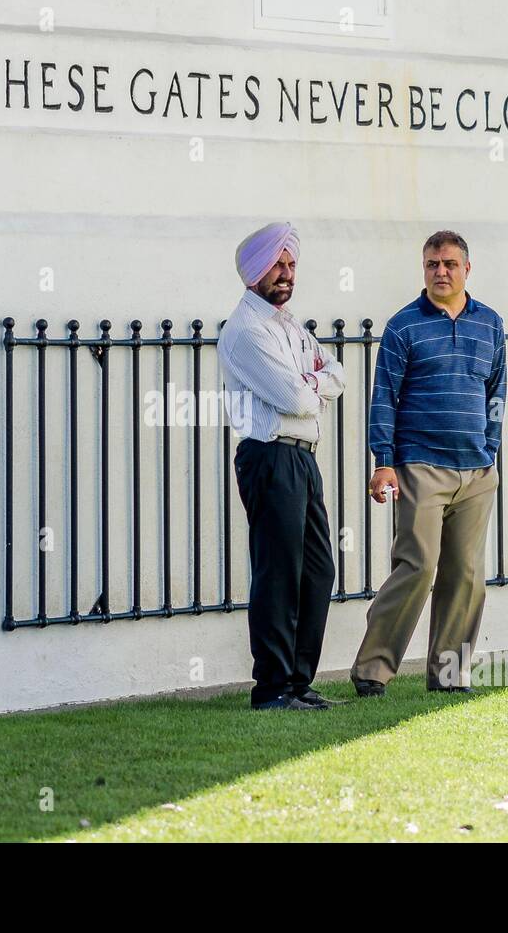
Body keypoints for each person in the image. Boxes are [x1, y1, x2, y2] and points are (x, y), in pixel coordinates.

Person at [351, 230, 506, 697]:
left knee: (466, 576)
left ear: (467, 270)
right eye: (433, 264)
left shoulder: (491, 324)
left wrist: (490, 451)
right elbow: (384, 399)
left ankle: (448, 676)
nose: (441, 271)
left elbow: (496, 392)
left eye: (450, 264)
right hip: (420, 466)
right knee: (417, 566)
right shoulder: (404, 326)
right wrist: (384, 462)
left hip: (476, 471)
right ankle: (372, 670)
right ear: (424, 270)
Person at [217, 221, 346, 710]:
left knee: (316, 570)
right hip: (270, 456)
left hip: (303, 459)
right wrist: (313, 385)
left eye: (291, 265)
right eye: (277, 265)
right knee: (278, 571)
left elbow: (338, 372)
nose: (286, 273)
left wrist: (315, 382)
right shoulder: (246, 331)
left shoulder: (289, 326)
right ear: (254, 272)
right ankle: (271, 689)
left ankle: (297, 682)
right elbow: (295, 396)